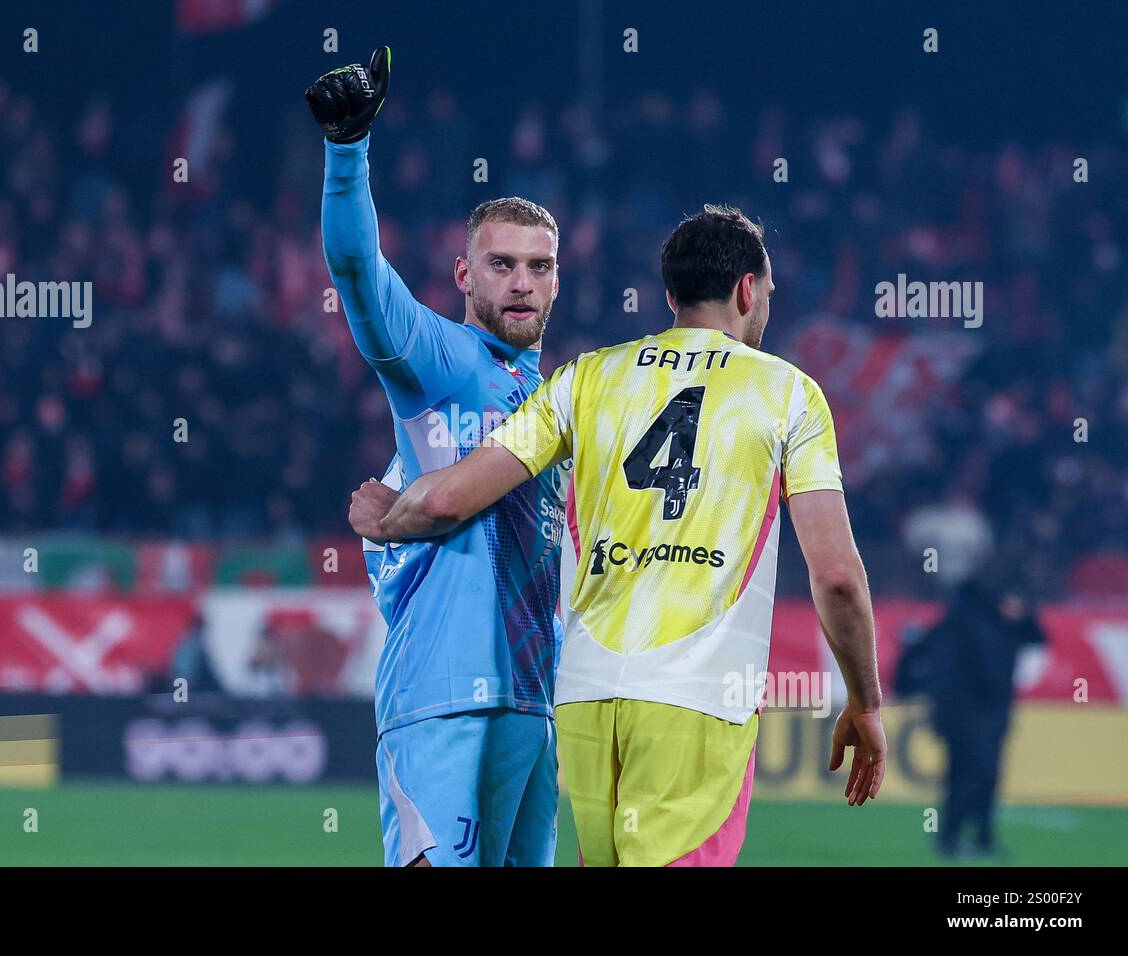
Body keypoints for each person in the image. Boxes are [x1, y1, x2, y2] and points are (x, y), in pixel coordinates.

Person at [350, 205, 887, 866]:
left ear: (670, 296)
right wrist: (866, 703)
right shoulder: (788, 394)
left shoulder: (586, 377)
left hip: (584, 697)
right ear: (748, 290)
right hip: (697, 695)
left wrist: (389, 514)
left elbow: (451, 499)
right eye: (768, 295)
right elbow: (836, 576)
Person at [306, 48, 568, 866]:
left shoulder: (560, 401)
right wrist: (348, 153)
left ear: (558, 282)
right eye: (502, 264)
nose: (522, 282)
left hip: (533, 705)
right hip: (443, 700)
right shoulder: (446, 362)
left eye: (539, 266)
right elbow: (357, 273)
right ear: (463, 275)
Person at [897, 574, 1046, 859]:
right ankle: (965, 838)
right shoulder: (990, 629)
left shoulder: (948, 626)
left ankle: (963, 838)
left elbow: (913, 659)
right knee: (981, 776)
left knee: (962, 777)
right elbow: (1032, 641)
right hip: (982, 719)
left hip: (957, 718)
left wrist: (910, 688)